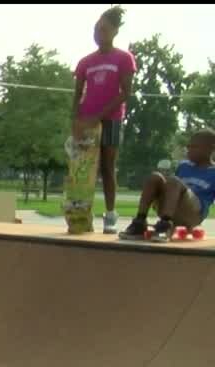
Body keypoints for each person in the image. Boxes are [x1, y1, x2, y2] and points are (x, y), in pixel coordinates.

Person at [72, 5, 135, 234]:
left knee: (107, 167)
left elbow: (125, 92)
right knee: (83, 168)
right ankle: (79, 213)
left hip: (110, 119)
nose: (99, 34)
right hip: (86, 120)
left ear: (115, 31)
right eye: (96, 29)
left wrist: (99, 116)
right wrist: (76, 121)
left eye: (104, 29)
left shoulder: (124, 58)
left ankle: (110, 214)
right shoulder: (85, 62)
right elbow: (78, 93)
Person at [119, 129, 215, 240]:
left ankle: (165, 226)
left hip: (193, 214)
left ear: (210, 149)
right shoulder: (184, 166)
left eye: (194, 147)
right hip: (170, 208)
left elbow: (175, 184)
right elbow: (171, 188)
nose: (188, 149)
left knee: (174, 181)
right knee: (155, 177)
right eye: (188, 146)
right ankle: (140, 223)